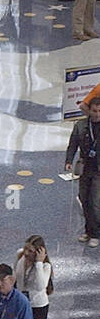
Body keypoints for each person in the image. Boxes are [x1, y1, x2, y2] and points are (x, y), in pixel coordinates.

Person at [65, 94, 100, 244]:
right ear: (89, 111)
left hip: (99, 171)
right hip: (85, 168)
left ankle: (96, 234)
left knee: (95, 202)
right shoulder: (81, 126)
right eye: (94, 111)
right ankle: (88, 230)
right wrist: (68, 160)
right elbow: (72, 144)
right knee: (83, 199)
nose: (97, 114)